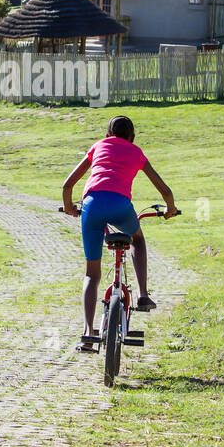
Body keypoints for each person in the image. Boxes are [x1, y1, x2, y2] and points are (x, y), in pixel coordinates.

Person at [61, 115, 177, 349]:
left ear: (107, 135)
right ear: (132, 137)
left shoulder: (98, 147)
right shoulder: (136, 152)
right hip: (120, 206)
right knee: (137, 239)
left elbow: (67, 185)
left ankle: (87, 333)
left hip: (92, 205)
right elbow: (165, 190)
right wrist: (170, 209)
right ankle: (143, 295)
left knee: (91, 274)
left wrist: (69, 208)